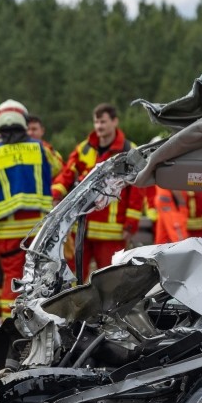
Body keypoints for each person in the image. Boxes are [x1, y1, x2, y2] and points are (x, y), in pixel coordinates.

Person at [0, 100, 55, 326]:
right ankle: (40, 325)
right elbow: (62, 171)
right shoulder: (42, 149)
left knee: (11, 278)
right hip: (40, 230)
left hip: (8, 231)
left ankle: (9, 328)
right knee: (40, 277)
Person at [52, 103, 141, 280]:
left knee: (110, 280)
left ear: (115, 121)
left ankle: (109, 309)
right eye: (96, 122)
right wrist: (56, 195)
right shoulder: (84, 149)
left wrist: (131, 223)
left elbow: (138, 190)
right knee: (72, 277)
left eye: (103, 121)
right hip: (81, 227)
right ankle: (74, 308)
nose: (99, 126)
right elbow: (67, 174)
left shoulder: (129, 151)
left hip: (112, 230)